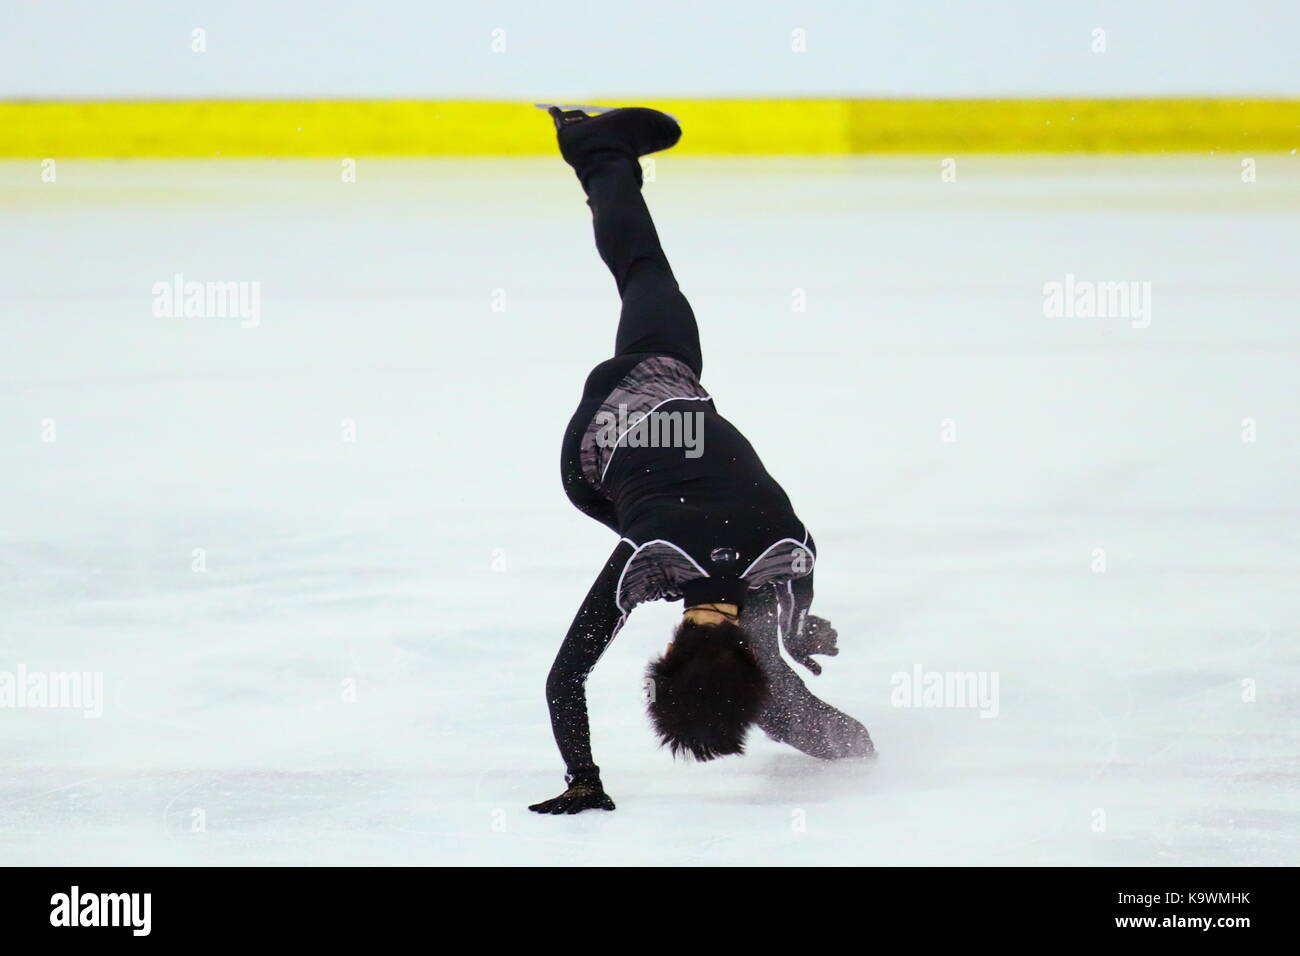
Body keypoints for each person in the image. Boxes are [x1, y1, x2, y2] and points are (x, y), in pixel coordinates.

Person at [530, 107, 874, 816]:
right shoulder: (647, 564)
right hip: (594, 465)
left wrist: (800, 630)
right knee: (777, 695)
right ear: (665, 659)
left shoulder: (788, 557)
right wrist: (584, 781)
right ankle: (596, 150)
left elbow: (789, 625)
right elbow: (563, 681)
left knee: (644, 274)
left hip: (662, 402)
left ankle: (600, 152)